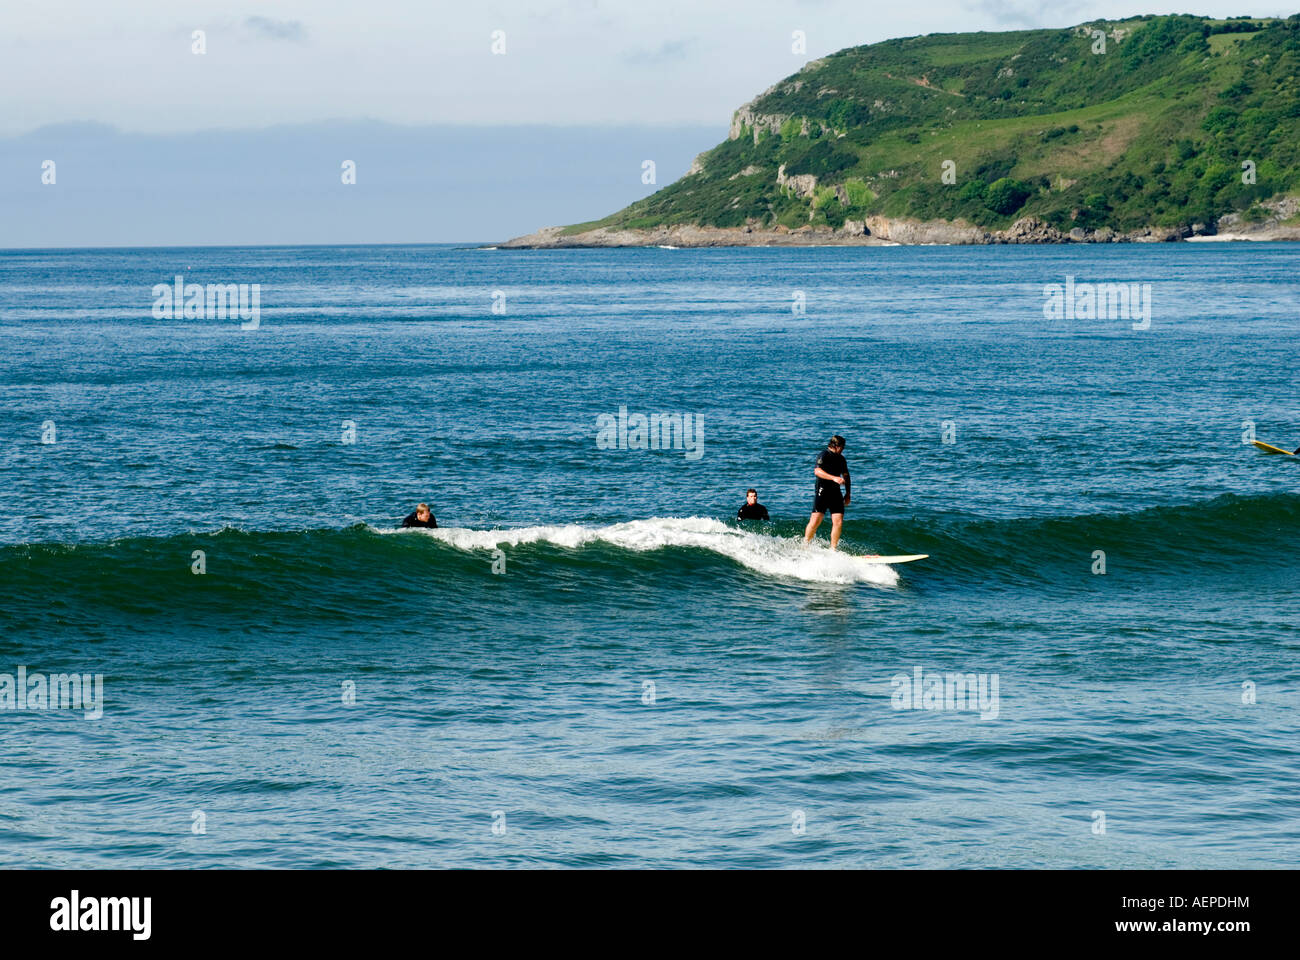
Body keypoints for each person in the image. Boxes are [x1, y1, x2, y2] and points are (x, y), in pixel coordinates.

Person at [803, 435, 850, 550]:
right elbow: (817, 471)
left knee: (838, 522)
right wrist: (833, 478)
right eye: (842, 447)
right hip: (822, 492)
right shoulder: (824, 455)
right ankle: (805, 546)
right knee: (815, 522)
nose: (843, 449)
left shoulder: (841, 459)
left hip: (836, 493)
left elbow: (846, 476)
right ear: (836, 446)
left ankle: (833, 549)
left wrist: (848, 493)